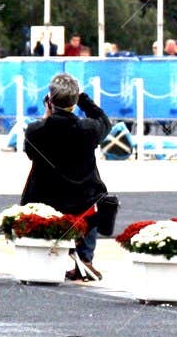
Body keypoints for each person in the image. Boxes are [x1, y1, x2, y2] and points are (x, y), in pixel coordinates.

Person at [21, 72, 111, 282]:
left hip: (45, 198)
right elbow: (104, 121)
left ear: (50, 101)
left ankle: (44, 254)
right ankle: (85, 258)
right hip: (82, 199)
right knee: (98, 198)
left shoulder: (36, 130)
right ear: (74, 101)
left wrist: (47, 116)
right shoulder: (89, 129)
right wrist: (84, 100)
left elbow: (30, 153)